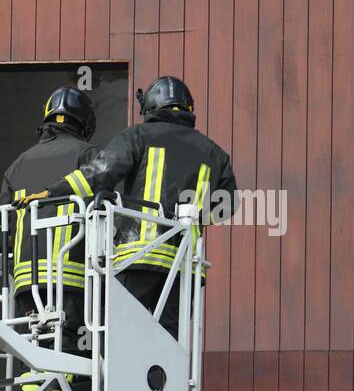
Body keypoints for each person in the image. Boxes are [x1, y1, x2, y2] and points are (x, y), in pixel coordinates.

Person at [19, 75, 236, 339]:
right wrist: (195, 215)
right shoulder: (214, 153)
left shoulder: (138, 136)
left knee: (116, 339)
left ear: (151, 108)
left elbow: (100, 172)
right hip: (183, 265)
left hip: (138, 257)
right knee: (167, 342)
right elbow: (227, 206)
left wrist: (54, 191)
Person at [0, 85, 99, 365]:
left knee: (32, 354)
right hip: (71, 278)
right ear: (85, 123)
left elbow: (4, 221)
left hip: (26, 279)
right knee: (74, 359)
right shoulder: (88, 155)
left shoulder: (16, 166)